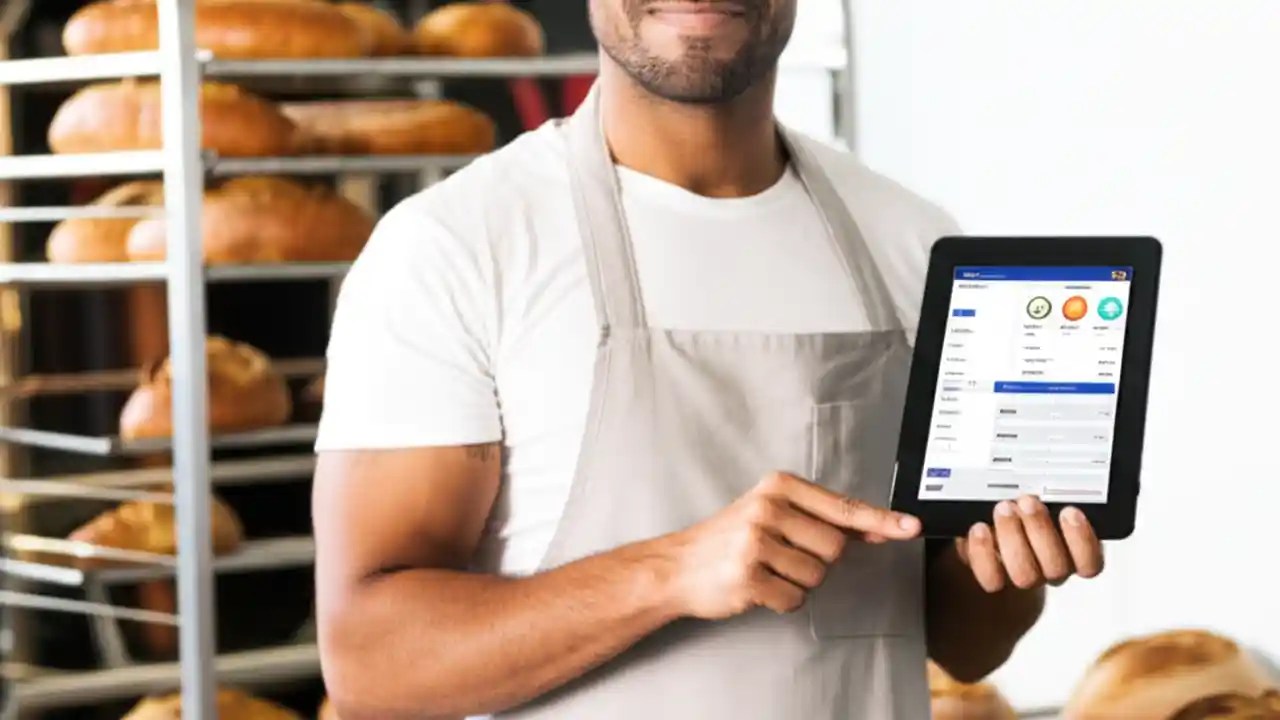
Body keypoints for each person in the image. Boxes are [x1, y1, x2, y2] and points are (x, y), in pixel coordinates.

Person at [312, 1, 1107, 718]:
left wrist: (1010, 566)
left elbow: (961, 647)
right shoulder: (455, 247)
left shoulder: (913, 241)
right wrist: (671, 572)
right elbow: (371, 666)